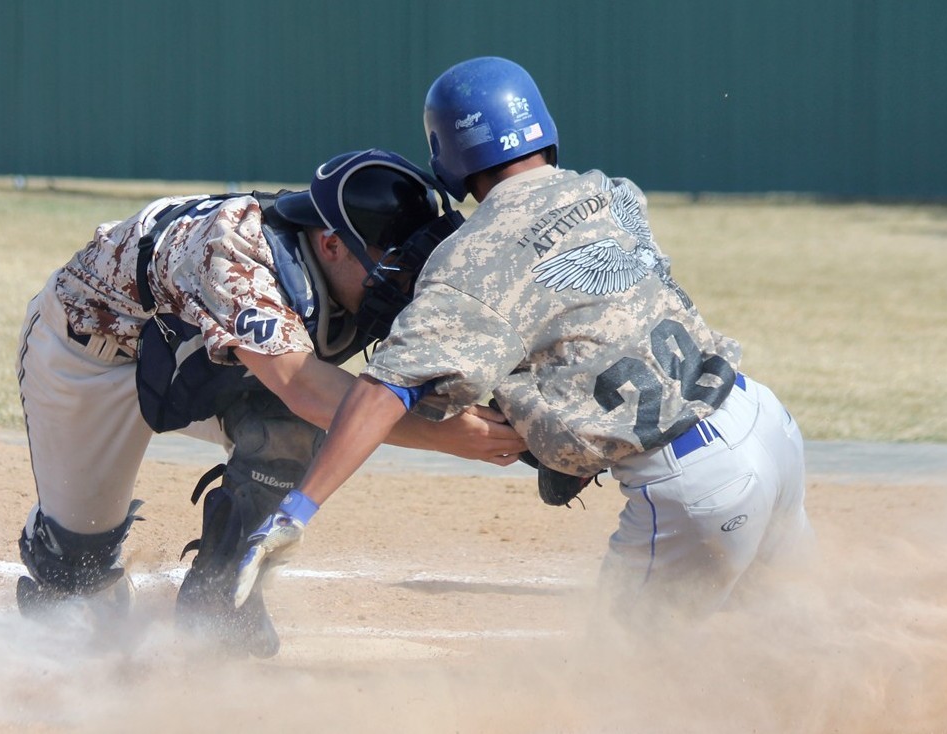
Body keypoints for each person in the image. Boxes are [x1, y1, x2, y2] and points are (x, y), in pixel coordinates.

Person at [234, 57, 814, 625]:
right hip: (764, 422)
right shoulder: (612, 192)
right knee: (781, 637)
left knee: (623, 686)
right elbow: (594, 326)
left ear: (447, 157)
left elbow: (385, 391)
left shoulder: (473, 259)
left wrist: (298, 507)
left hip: (699, 483)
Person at [13, 147, 523, 658]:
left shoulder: (342, 272)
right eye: (396, 268)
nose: (407, 287)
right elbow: (306, 389)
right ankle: (61, 559)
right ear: (330, 245)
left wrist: (539, 429)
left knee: (288, 432)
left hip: (205, 362)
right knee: (74, 576)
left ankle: (218, 601)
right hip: (93, 360)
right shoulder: (237, 252)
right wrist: (444, 434)